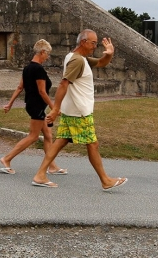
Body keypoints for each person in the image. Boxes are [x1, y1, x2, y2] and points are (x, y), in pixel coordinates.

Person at [31, 30, 127, 191]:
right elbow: (63, 84)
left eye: (96, 43)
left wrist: (110, 53)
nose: (95, 46)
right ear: (83, 42)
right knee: (93, 144)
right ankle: (105, 180)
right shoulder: (77, 61)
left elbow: (102, 63)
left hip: (73, 110)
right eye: (93, 43)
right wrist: (55, 109)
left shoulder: (78, 58)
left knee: (60, 141)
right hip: (80, 112)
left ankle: (40, 174)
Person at [0, 39, 67, 177]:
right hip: (37, 106)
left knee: (48, 135)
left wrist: (9, 104)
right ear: (42, 52)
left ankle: (51, 166)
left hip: (33, 105)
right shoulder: (38, 69)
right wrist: (54, 108)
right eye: (48, 54)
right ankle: (7, 159)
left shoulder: (28, 68)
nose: (48, 57)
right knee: (33, 136)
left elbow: (19, 87)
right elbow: (42, 91)